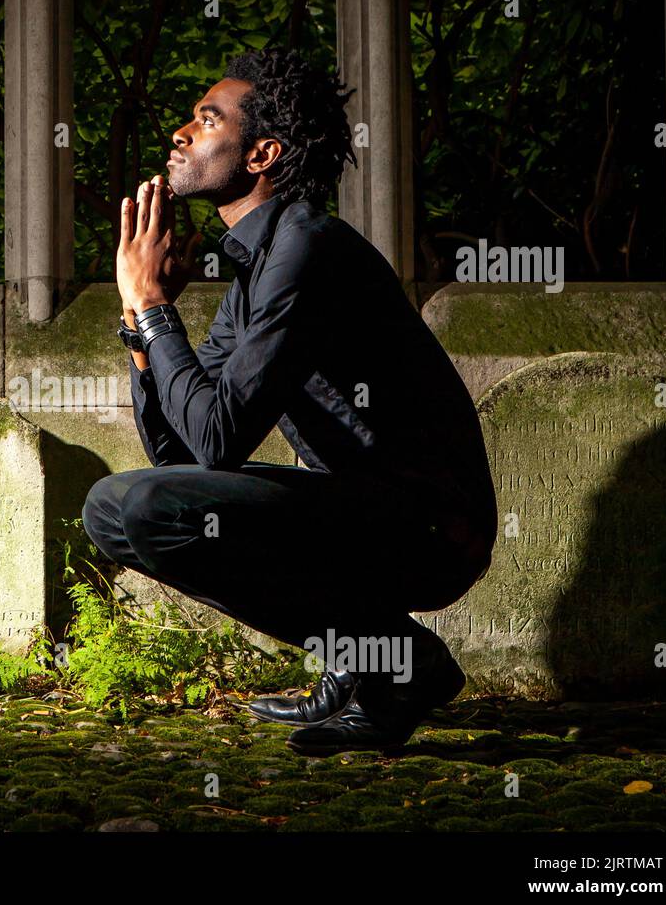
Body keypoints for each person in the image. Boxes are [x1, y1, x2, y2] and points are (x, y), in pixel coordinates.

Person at [81, 48, 497, 753]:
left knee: (148, 508)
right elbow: (180, 453)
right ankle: (368, 659)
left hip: (428, 530)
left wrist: (153, 306)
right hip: (363, 516)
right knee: (118, 507)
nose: (181, 133)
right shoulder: (256, 271)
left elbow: (216, 443)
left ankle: (397, 663)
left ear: (262, 153)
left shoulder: (307, 249)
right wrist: (139, 322)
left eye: (206, 120)